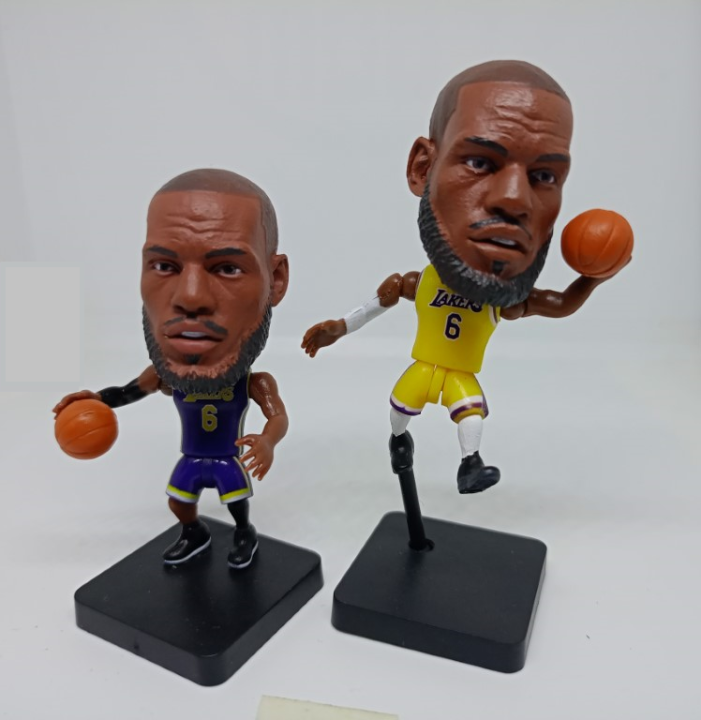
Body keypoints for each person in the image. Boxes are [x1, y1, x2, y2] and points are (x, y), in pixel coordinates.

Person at [302, 60, 621, 495]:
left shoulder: (501, 303)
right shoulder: (416, 283)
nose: (515, 201)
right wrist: (340, 328)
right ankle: (399, 443)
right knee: (400, 412)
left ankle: (470, 464)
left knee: (471, 414)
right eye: (479, 161)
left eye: (544, 176)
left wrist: (594, 277)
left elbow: (561, 304)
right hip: (423, 366)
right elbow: (377, 305)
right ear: (423, 169)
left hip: (458, 374)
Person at [53, 168, 290, 568]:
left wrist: (267, 442)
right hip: (193, 457)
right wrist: (96, 399)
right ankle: (194, 532)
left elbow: (278, 417)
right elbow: (128, 392)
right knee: (178, 502)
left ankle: (244, 533)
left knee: (236, 504)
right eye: (164, 266)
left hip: (227, 458)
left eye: (227, 268)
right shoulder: (164, 376)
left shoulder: (253, 382)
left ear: (275, 280)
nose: (191, 298)